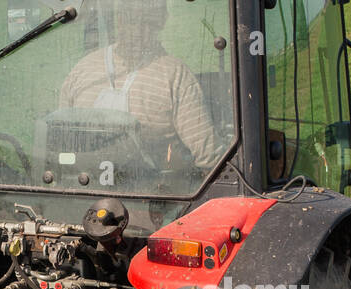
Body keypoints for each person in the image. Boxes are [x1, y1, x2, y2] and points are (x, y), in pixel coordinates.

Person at [58, 0, 227, 174]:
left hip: (150, 192)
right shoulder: (83, 70)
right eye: (130, 20)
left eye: (147, 22)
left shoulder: (175, 75)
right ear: (119, 20)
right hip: (81, 188)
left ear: (162, 22)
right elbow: (60, 140)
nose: (137, 31)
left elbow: (209, 157)